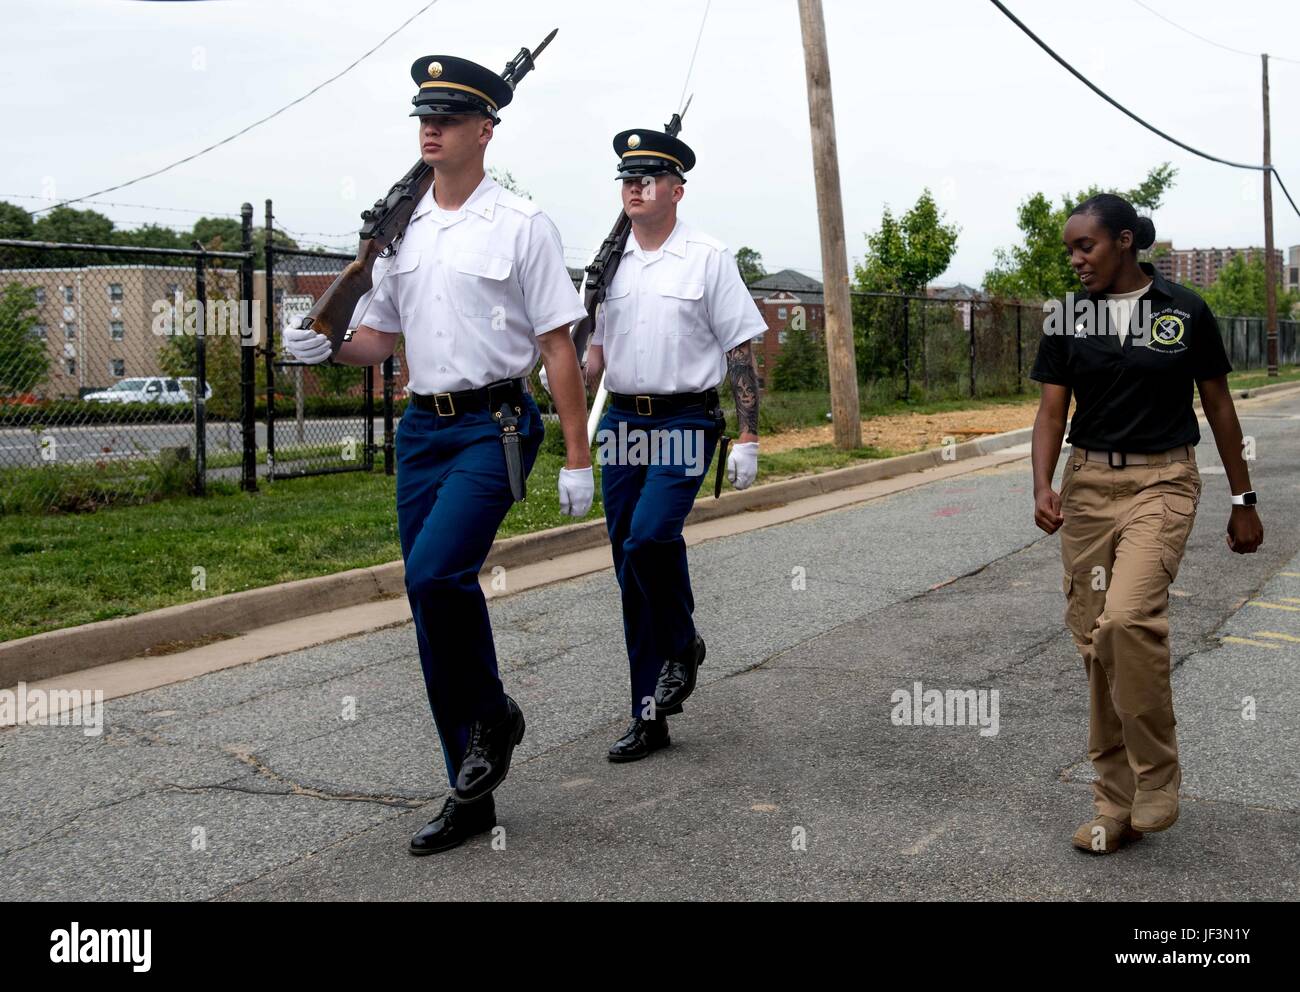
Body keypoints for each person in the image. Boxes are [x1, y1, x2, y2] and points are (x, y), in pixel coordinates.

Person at [284, 54, 593, 855]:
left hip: (495, 426)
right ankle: (471, 790)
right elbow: (381, 339)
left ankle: (491, 713)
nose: (431, 127)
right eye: (424, 115)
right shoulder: (399, 232)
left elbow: (558, 346)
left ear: (485, 131)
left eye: (449, 117)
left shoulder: (521, 224)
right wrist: (328, 346)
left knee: (436, 574)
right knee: (430, 609)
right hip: (421, 431)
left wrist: (576, 455)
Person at [1029, 193, 1263, 854]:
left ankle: (1156, 779)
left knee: (1127, 621)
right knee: (1097, 648)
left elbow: (1218, 406)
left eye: (1087, 247)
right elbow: (1052, 412)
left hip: (1163, 480)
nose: (1076, 260)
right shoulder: (1068, 316)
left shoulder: (1184, 310)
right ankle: (1114, 805)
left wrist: (1243, 500)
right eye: (1070, 249)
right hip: (1089, 486)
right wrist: (1042, 484)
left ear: (1125, 241)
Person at [583, 127, 766, 762]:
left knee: (650, 537)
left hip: (686, 419)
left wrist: (747, 435)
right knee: (628, 571)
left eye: (649, 178)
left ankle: (683, 643)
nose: (634, 186)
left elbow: (740, 346)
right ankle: (647, 714)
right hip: (621, 423)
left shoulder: (707, 256)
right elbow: (594, 357)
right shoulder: (609, 265)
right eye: (627, 178)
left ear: (676, 190)